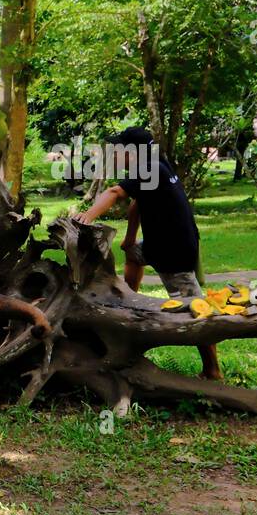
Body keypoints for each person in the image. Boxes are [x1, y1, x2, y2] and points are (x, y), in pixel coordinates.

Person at [73, 126, 220, 380]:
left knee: (194, 308)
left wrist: (86, 217)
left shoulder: (148, 168)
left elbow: (114, 193)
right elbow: (136, 204)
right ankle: (130, 302)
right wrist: (130, 240)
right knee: (133, 255)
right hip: (159, 243)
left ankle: (212, 370)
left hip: (173, 249)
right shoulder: (157, 165)